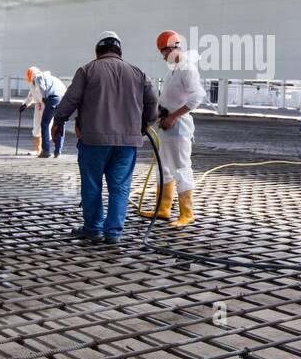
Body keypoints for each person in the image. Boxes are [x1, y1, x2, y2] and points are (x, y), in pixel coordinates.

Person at [52, 31, 157, 246]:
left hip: (94, 141)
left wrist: (58, 121)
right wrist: (143, 125)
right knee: (120, 187)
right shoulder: (138, 73)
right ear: (120, 51)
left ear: (98, 52)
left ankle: (93, 229)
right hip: (127, 143)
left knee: (92, 185)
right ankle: (113, 233)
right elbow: (153, 102)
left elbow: (71, 99)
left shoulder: (87, 70)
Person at [140, 30, 207, 228]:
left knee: (181, 168)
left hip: (179, 127)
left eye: (163, 53)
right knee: (165, 168)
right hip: (166, 126)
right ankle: (163, 208)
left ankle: (187, 213)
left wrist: (173, 117)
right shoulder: (174, 70)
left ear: (171, 48)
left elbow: (197, 98)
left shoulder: (188, 70)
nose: (163, 58)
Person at [27, 65, 66, 158]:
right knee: (59, 123)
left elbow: (42, 88)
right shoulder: (52, 78)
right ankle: (57, 151)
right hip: (63, 98)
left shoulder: (38, 77)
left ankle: (46, 151)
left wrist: (44, 98)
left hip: (53, 98)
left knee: (44, 124)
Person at [21, 72, 44, 156]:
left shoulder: (44, 82)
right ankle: (37, 149)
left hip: (46, 105)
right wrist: (25, 104)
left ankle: (45, 149)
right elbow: (30, 96)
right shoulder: (32, 85)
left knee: (46, 126)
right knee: (36, 127)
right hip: (38, 106)